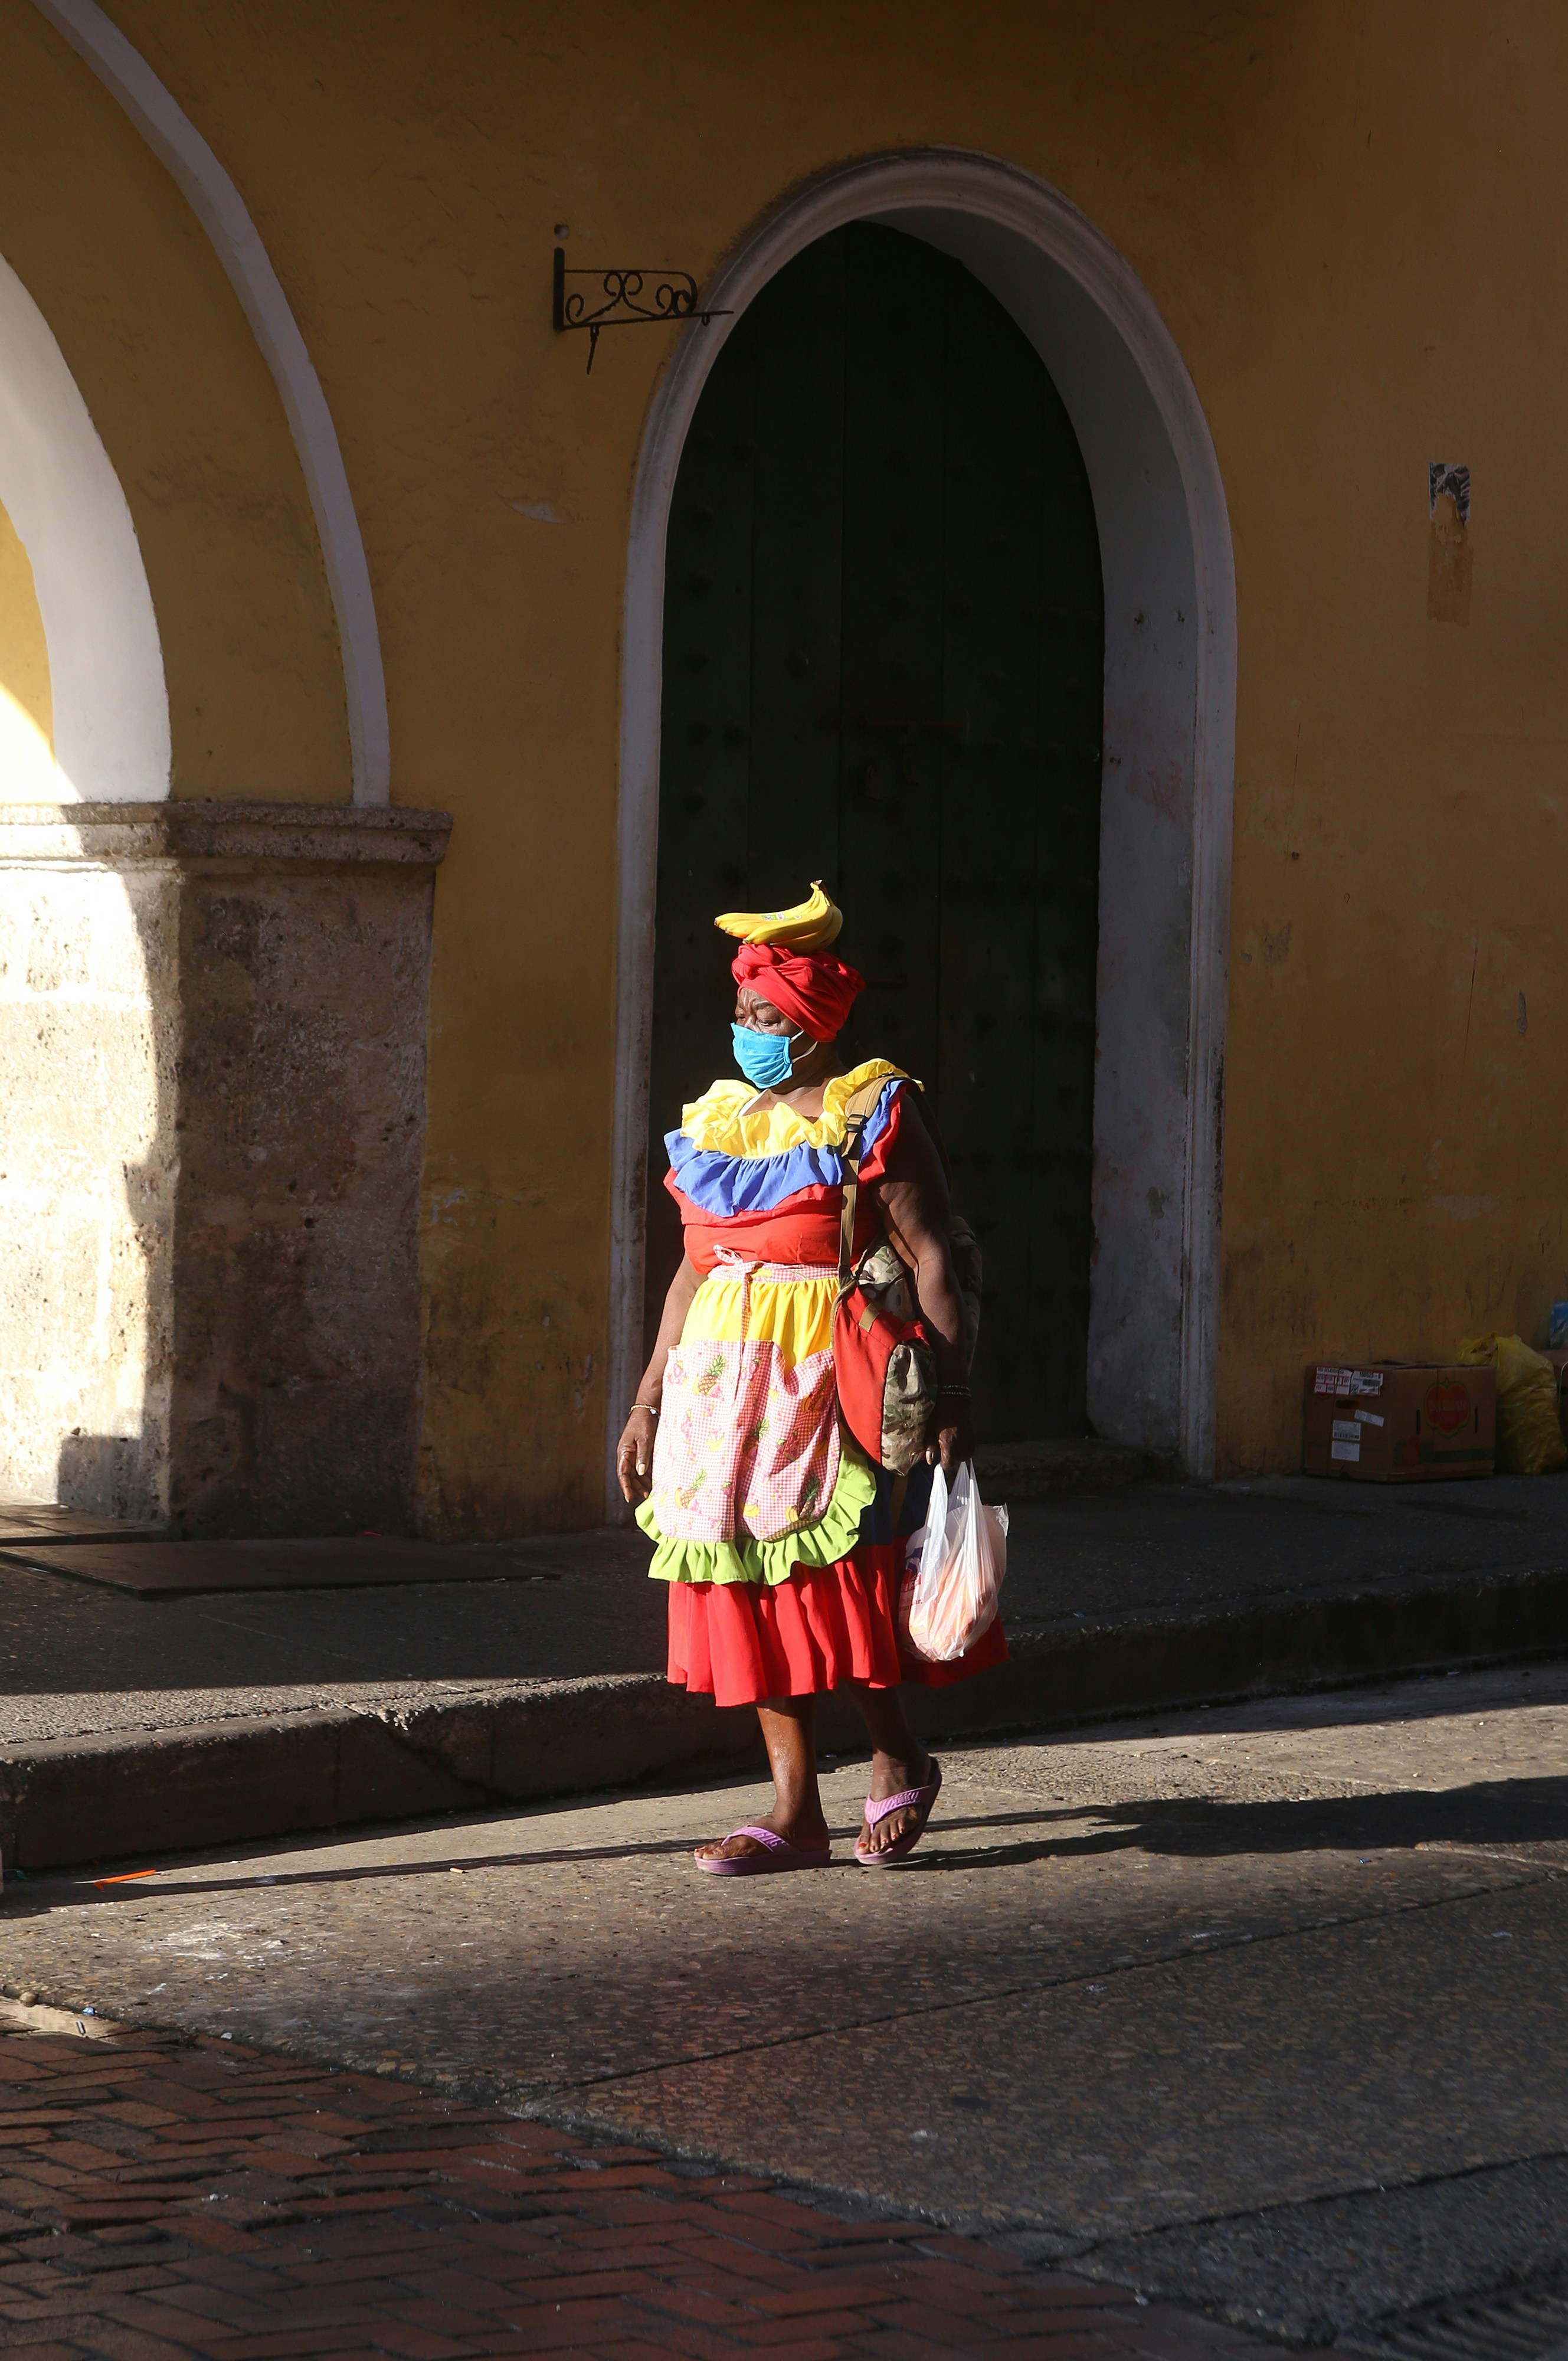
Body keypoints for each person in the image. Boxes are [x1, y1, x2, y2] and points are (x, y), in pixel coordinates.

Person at [617, 883, 1006, 1873]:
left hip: (828, 1380)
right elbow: (692, 1272)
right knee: (743, 1580)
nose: (748, 1032)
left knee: (829, 1578)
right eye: (741, 1014)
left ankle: (895, 1753)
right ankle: (794, 1810)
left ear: (810, 1021)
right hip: (716, 1391)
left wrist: (954, 1393)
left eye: (766, 1017)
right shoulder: (718, 1123)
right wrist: (646, 1398)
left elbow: (929, 1258)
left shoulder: (869, 1110)